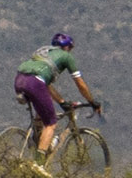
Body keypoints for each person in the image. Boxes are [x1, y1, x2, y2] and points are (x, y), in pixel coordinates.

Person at [13, 32, 101, 163]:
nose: (70, 52)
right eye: (70, 49)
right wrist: (92, 101)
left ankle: (36, 143)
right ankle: (39, 163)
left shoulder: (44, 51)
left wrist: (62, 102)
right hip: (35, 83)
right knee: (51, 123)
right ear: (67, 47)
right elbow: (80, 84)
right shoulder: (66, 57)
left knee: (41, 114)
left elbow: (46, 85)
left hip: (19, 80)